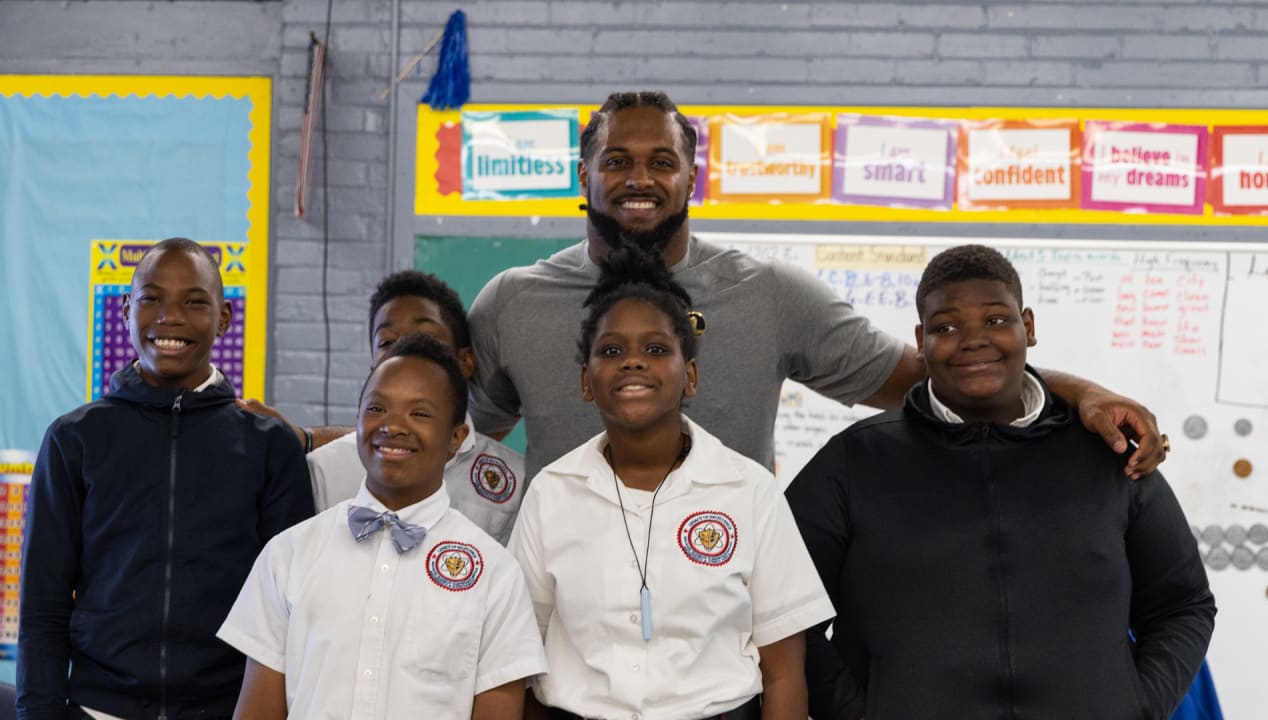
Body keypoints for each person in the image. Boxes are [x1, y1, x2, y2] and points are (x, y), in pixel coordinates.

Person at [468, 90, 1168, 481]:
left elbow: (938, 379)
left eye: (662, 161)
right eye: (616, 160)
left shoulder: (768, 294)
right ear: (581, 178)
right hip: (554, 630)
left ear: (694, 179)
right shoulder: (513, 300)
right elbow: (463, 437)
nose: (639, 179)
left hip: (721, 628)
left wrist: (1088, 396)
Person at [785, 244, 1215, 719]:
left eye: (995, 320)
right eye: (945, 327)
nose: (972, 341)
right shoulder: (853, 462)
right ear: (921, 340)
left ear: (1027, 326)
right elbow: (785, 611)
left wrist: (1137, 706)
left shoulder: (1106, 455)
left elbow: (1184, 604)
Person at [508, 245, 833, 719]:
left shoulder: (749, 491)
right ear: (585, 380)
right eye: (611, 350)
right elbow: (520, 654)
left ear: (691, 376)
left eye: (657, 349)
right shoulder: (551, 492)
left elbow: (783, 671)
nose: (633, 362)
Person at [18, 238, 314, 720]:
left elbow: (292, 611)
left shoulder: (268, 447)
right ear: (125, 311)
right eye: (152, 299)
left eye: (194, 302)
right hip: (99, 708)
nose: (170, 317)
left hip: (226, 709)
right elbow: (43, 606)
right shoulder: (75, 439)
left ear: (223, 319)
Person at [218, 333, 547, 719]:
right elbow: (257, 711)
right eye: (376, 409)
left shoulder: (494, 573)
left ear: (457, 437)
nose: (393, 426)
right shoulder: (288, 554)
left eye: (419, 413)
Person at [306, 270, 526, 543]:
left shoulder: (516, 479)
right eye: (387, 342)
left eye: (427, 339)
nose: (407, 354)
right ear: (372, 363)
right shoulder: (324, 469)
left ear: (466, 360)